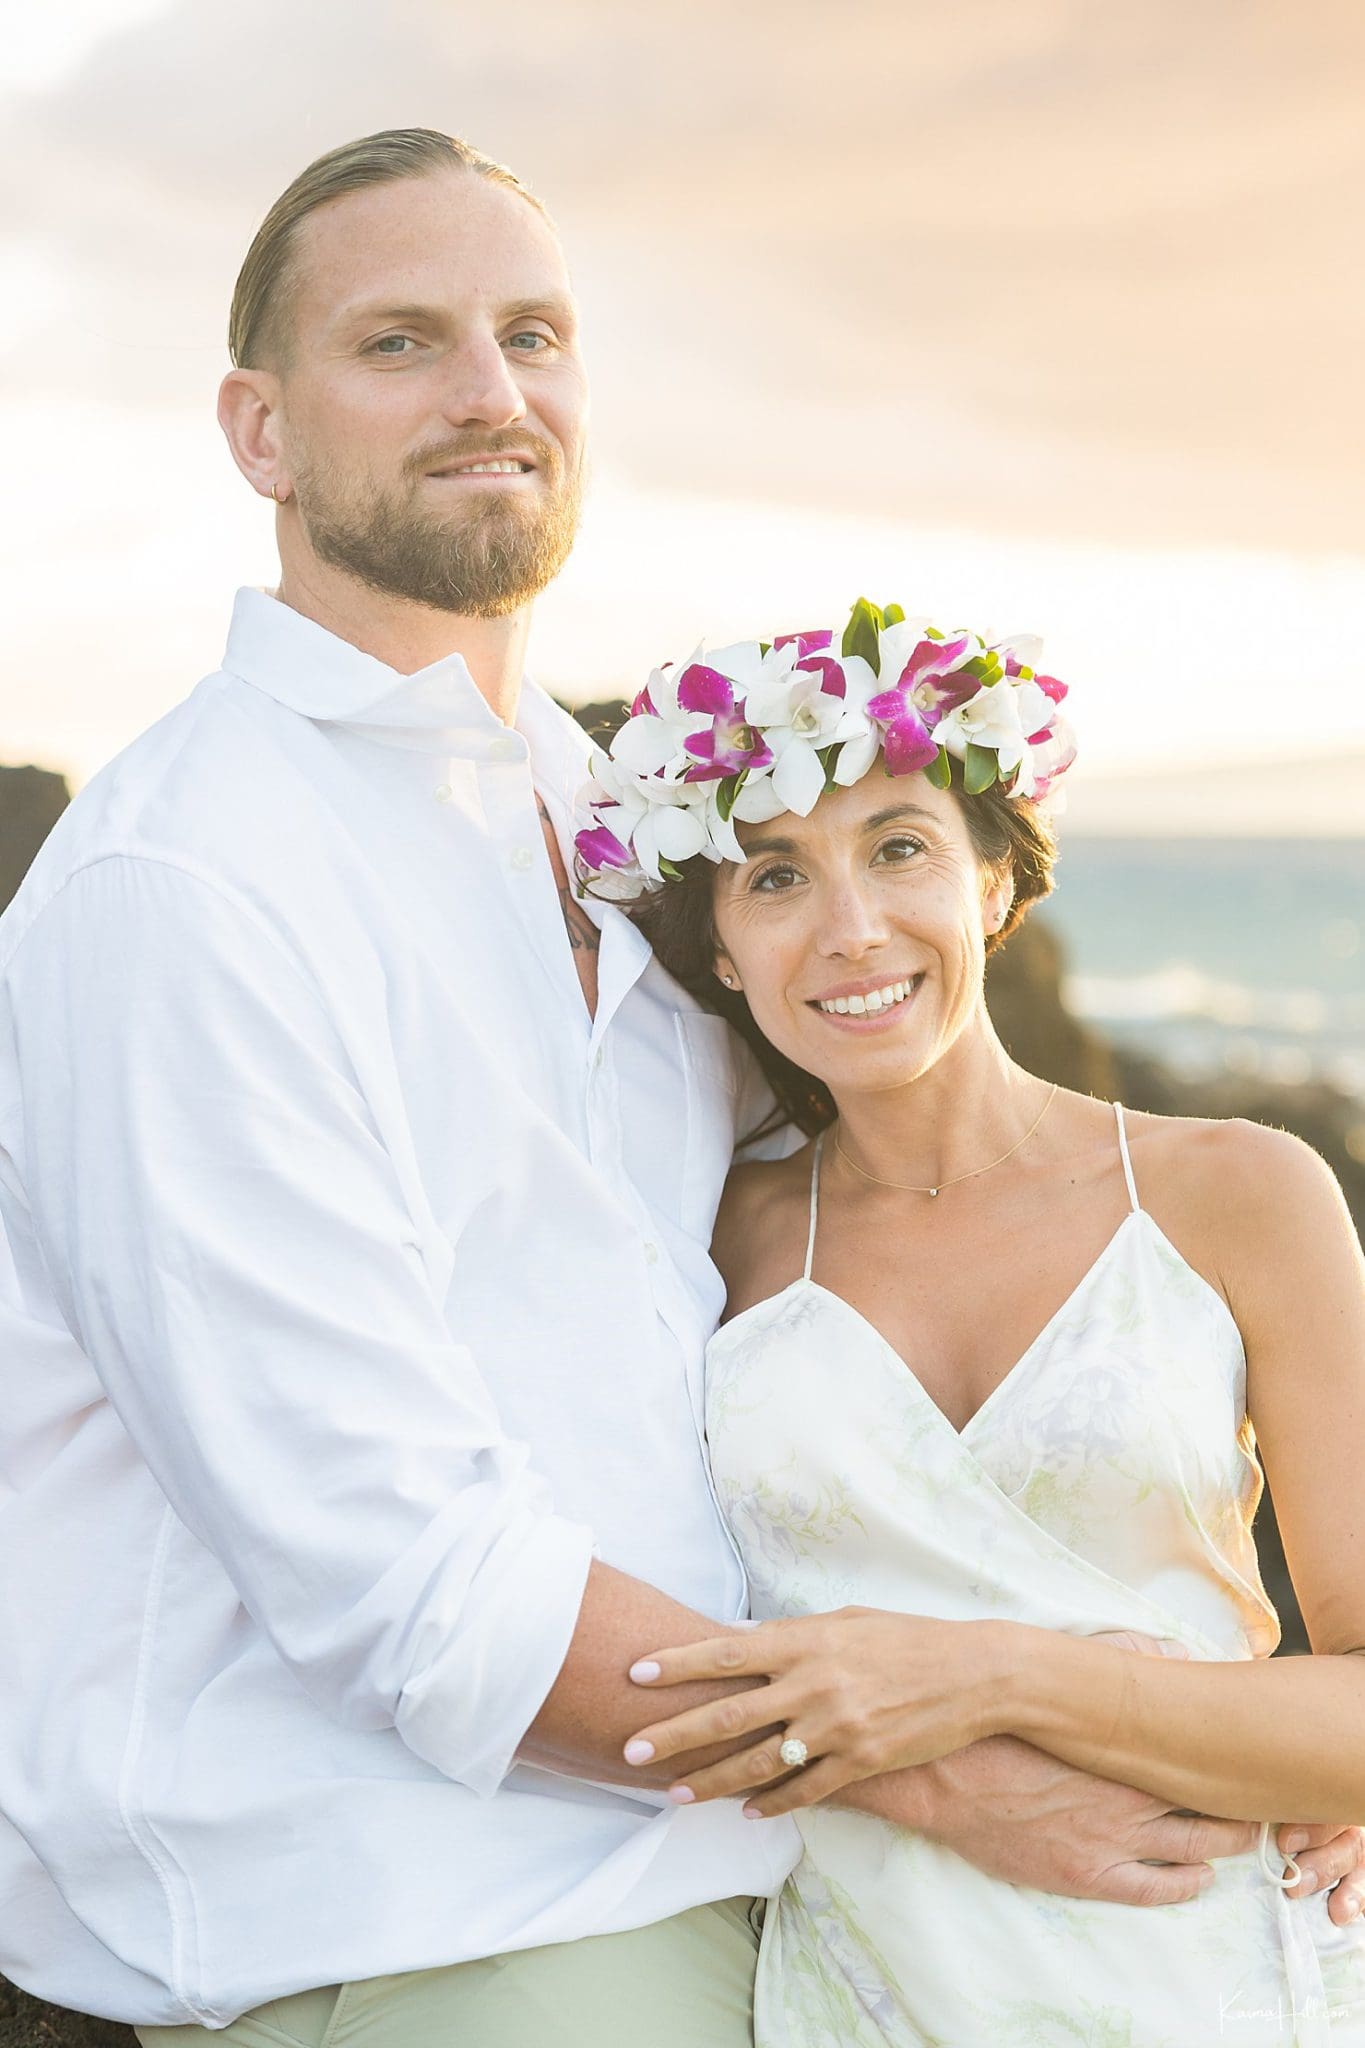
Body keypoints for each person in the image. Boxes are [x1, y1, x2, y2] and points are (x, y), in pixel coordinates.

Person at [0, 132, 1356, 2048]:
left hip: (753, 1868)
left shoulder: (611, 824)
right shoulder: (189, 878)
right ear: (260, 430)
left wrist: (1254, 1741)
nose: (490, 392)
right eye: (399, 341)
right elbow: (394, 1567)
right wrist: (942, 1765)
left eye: (533, 334)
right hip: (414, 1897)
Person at [575, 603, 1365, 2042]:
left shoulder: (1242, 1194)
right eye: (774, 876)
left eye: (899, 848)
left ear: (995, 879)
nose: (851, 929)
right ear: (722, 952)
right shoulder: (701, 1242)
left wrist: (982, 1675)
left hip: (1230, 1981)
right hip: (861, 1994)